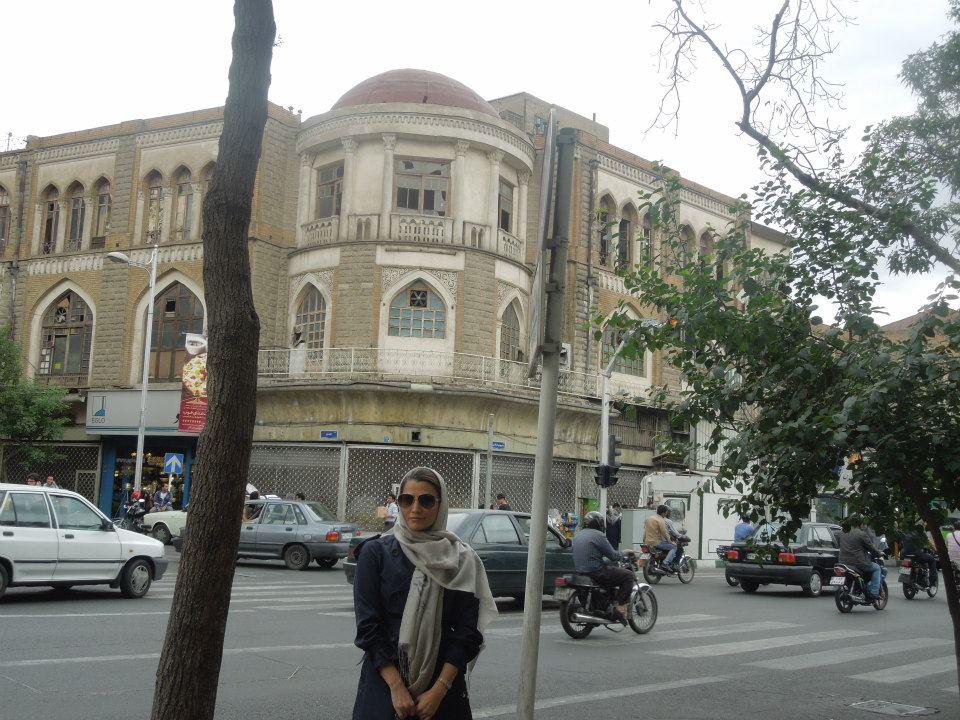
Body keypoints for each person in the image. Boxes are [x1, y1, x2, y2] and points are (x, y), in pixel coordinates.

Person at [352, 467, 496, 720]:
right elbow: (369, 628)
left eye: (426, 500)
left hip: (442, 693)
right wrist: (396, 687)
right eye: (407, 500)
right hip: (383, 687)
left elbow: (467, 633)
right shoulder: (376, 553)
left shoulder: (462, 559)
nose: (415, 508)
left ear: (441, 505)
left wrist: (439, 690)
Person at [572, 511, 634, 624]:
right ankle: (618, 605)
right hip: (596, 572)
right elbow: (614, 556)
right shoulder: (598, 535)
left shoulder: (577, 535)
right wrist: (625, 552)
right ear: (599, 523)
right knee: (628, 575)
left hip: (579, 572)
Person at [838, 517, 883, 600]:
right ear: (861, 524)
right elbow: (871, 548)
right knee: (877, 568)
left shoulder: (841, 533)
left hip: (843, 562)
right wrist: (879, 553)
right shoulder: (862, 534)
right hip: (859, 563)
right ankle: (874, 592)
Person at [644, 505, 677, 570]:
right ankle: (665, 563)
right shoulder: (661, 520)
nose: (667, 514)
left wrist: (644, 540)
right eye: (666, 512)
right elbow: (664, 533)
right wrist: (670, 541)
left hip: (647, 541)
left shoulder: (649, 519)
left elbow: (646, 530)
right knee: (674, 547)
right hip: (657, 542)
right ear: (663, 513)